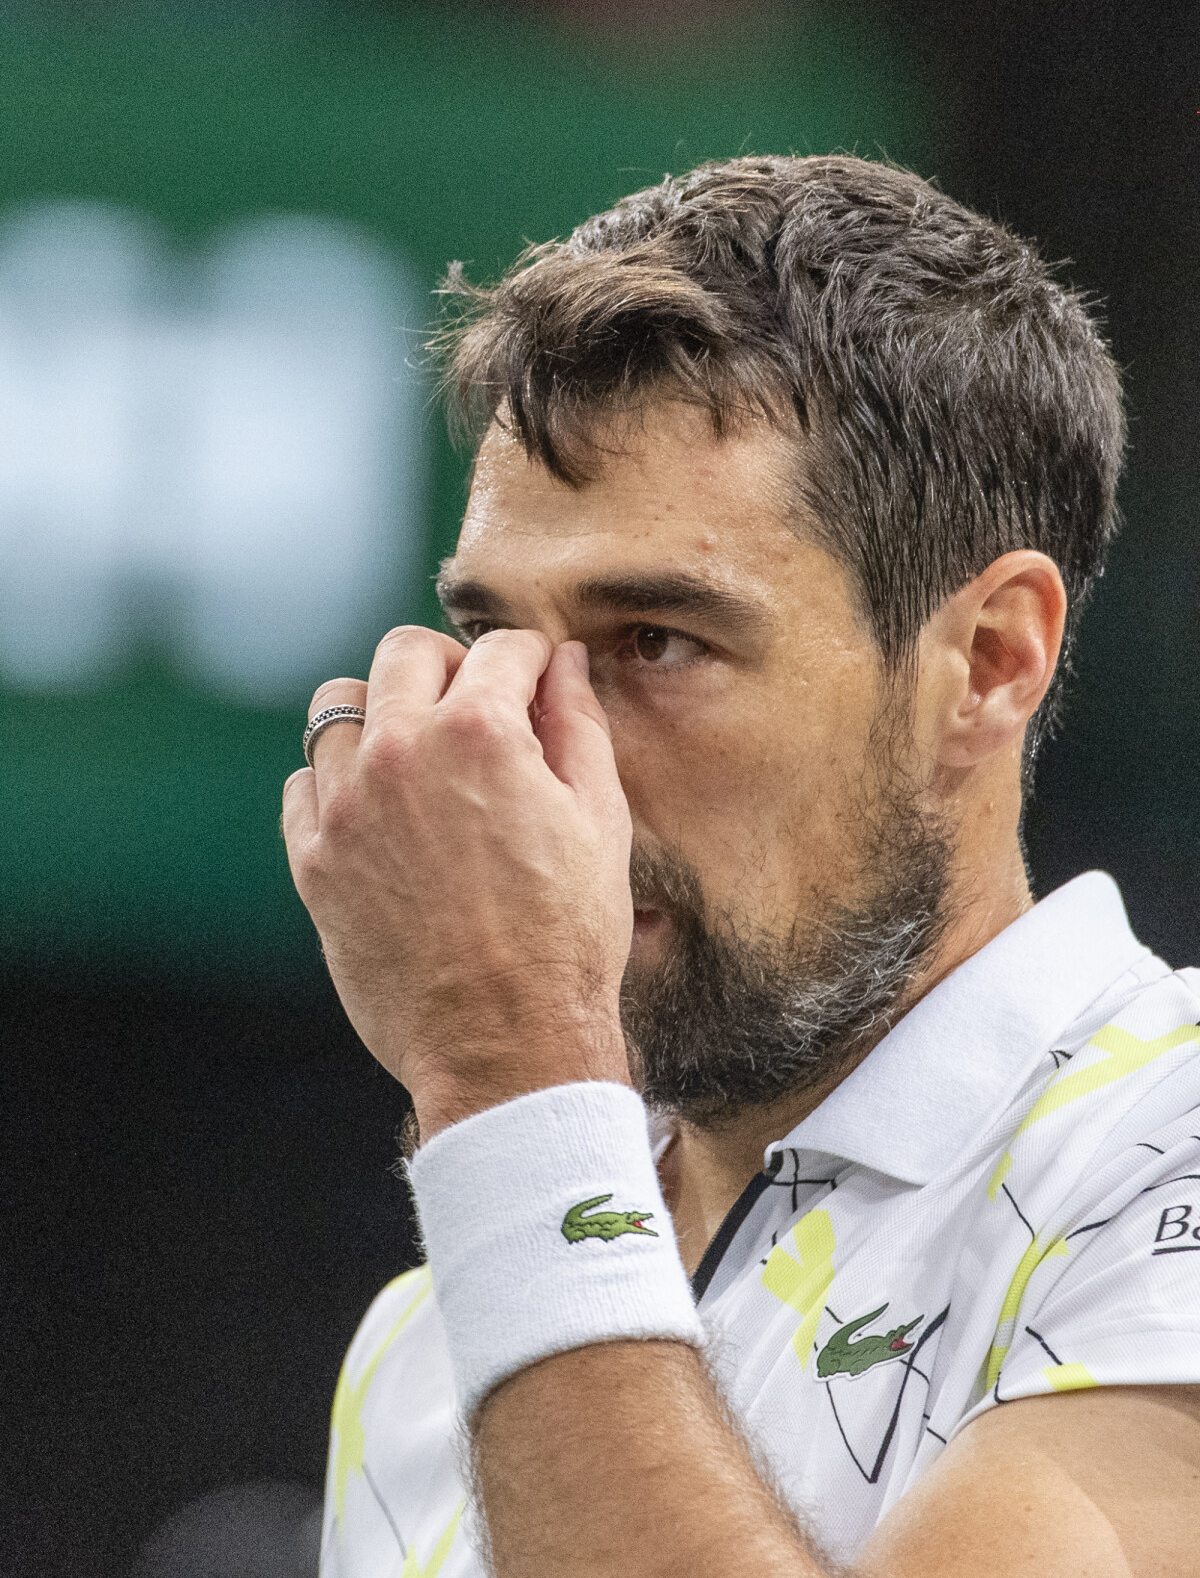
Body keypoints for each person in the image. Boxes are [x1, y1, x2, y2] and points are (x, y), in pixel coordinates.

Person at [282, 156, 1200, 1578]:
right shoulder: (433, 1342)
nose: (529, 755)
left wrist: (504, 1070)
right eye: (500, 639)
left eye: (657, 641)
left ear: (990, 661)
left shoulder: (1167, 1148)